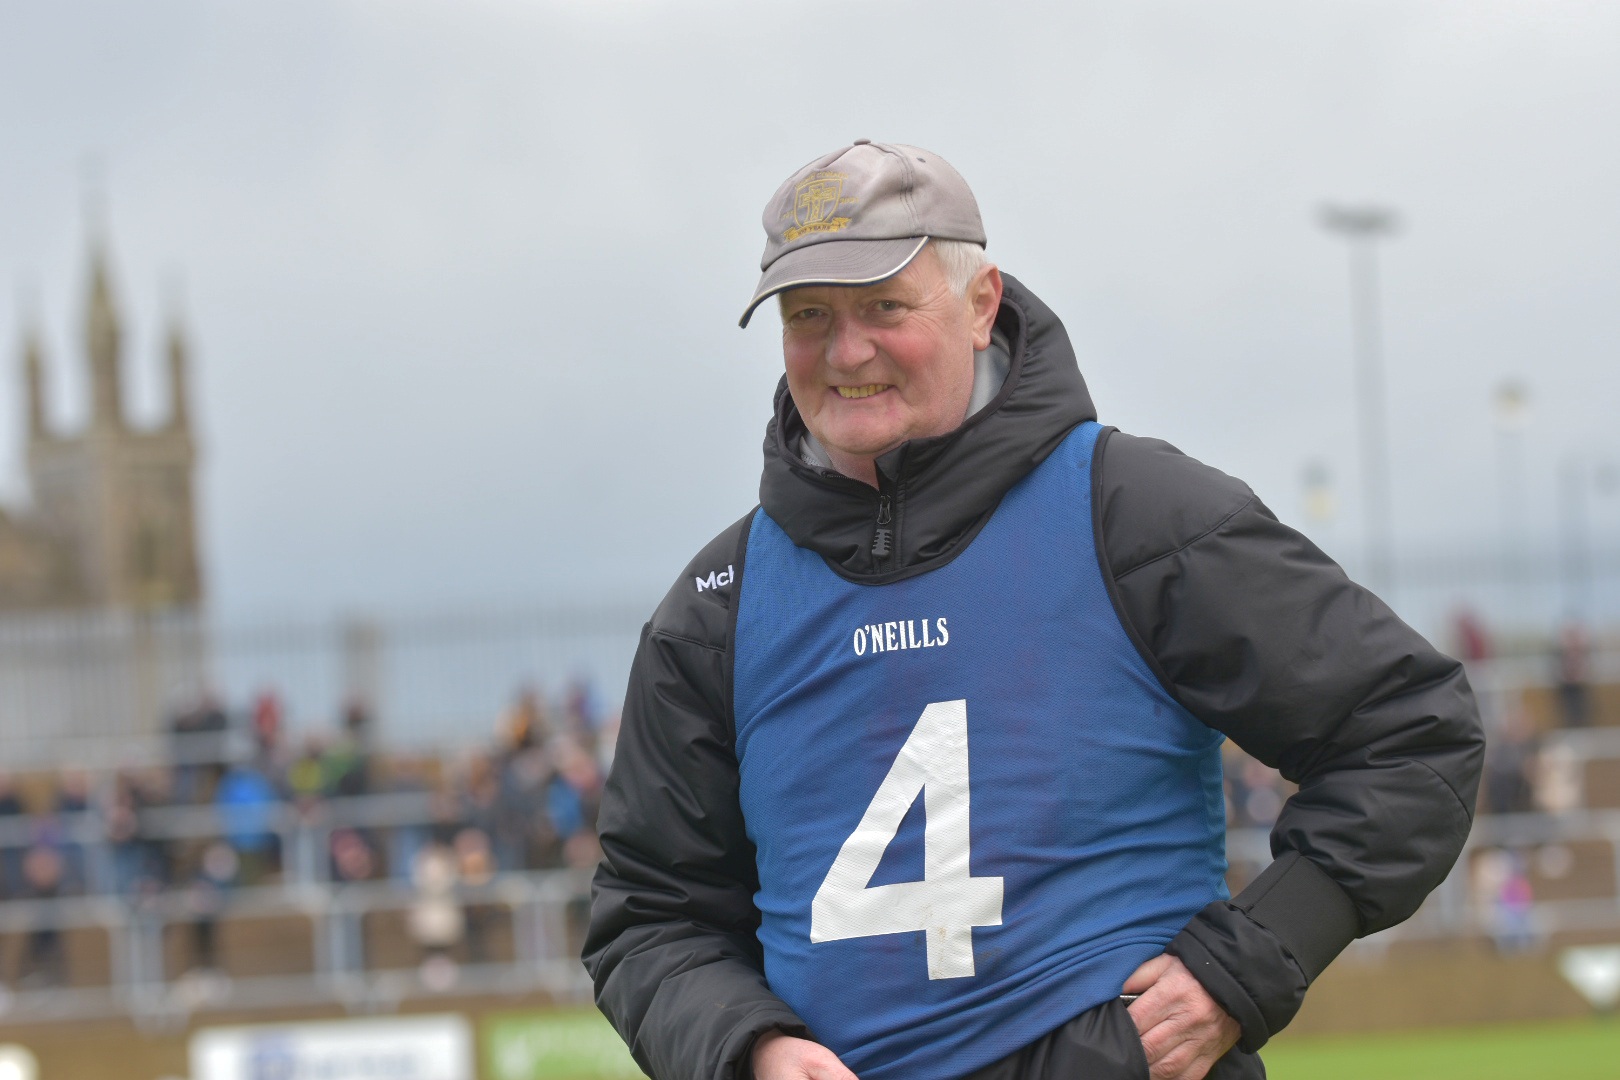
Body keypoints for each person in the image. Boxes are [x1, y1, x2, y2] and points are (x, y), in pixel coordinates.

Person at [583, 141, 1485, 1080]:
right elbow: (651, 914)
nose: (846, 351)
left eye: (885, 307)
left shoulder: (1135, 516)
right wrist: (749, 1048)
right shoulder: (718, 606)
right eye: (810, 316)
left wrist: (1245, 964)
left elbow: (1412, 733)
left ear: (981, 305)